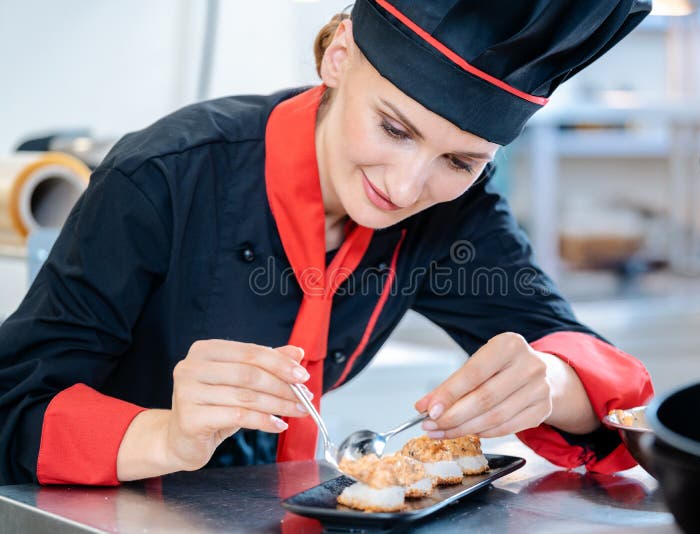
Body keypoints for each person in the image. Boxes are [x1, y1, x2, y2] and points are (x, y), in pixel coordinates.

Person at [0, 0, 654, 486]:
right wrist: (169, 436)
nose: (405, 188)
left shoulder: (453, 216)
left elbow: (603, 383)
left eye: (460, 161)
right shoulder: (164, 176)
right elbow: (14, 410)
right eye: (394, 129)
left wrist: (548, 379)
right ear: (338, 55)